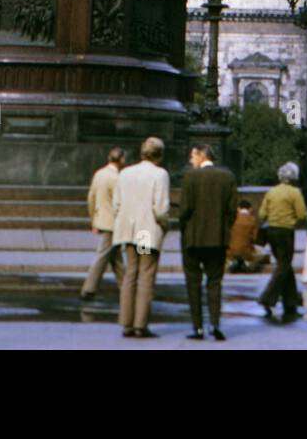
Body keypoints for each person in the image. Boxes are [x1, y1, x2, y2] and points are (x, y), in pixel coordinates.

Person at [111, 136, 171, 338]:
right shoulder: (159, 174)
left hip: (127, 230)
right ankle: (140, 323)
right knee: (145, 275)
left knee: (130, 274)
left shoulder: (125, 173)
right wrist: (165, 225)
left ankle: (126, 321)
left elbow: (116, 204)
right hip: (145, 231)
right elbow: (161, 208)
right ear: (160, 155)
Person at [179, 142, 237, 342]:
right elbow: (232, 211)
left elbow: (184, 210)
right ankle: (215, 324)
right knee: (215, 282)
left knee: (193, 283)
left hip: (193, 239)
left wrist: (184, 228)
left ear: (201, 156)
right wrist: (223, 228)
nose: (190, 160)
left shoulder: (190, 177)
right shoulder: (227, 177)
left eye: (192, 156)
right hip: (217, 239)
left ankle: (197, 328)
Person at [258, 162, 307, 321]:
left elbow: (261, 213)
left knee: (285, 265)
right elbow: (301, 214)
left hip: (271, 231)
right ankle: (267, 298)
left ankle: (291, 303)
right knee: (284, 265)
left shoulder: (271, 192)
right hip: (286, 231)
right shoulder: (295, 192)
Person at [80, 147, 125, 299]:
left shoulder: (99, 174)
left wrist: (93, 220)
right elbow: (121, 203)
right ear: (121, 160)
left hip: (102, 221)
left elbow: (91, 198)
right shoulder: (118, 178)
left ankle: (126, 287)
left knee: (115, 258)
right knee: (103, 255)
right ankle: (89, 288)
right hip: (114, 223)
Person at [227, 200, 268, 273]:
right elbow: (255, 238)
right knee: (261, 255)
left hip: (231, 252)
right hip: (246, 252)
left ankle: (233, 264)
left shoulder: (232, 219)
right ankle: (247, 265)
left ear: (238, 209)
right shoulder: (252, 220)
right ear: (250, 209)